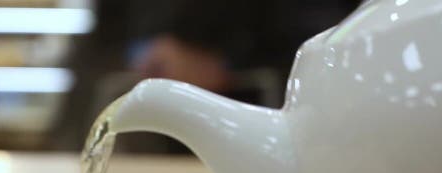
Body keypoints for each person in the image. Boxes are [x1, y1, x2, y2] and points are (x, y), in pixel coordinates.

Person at [54, 0, 360, 153]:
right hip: (139, 129)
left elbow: (337, 29)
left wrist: (227, 57)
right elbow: (109, 26)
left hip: (264, 126)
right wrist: (140, 52)